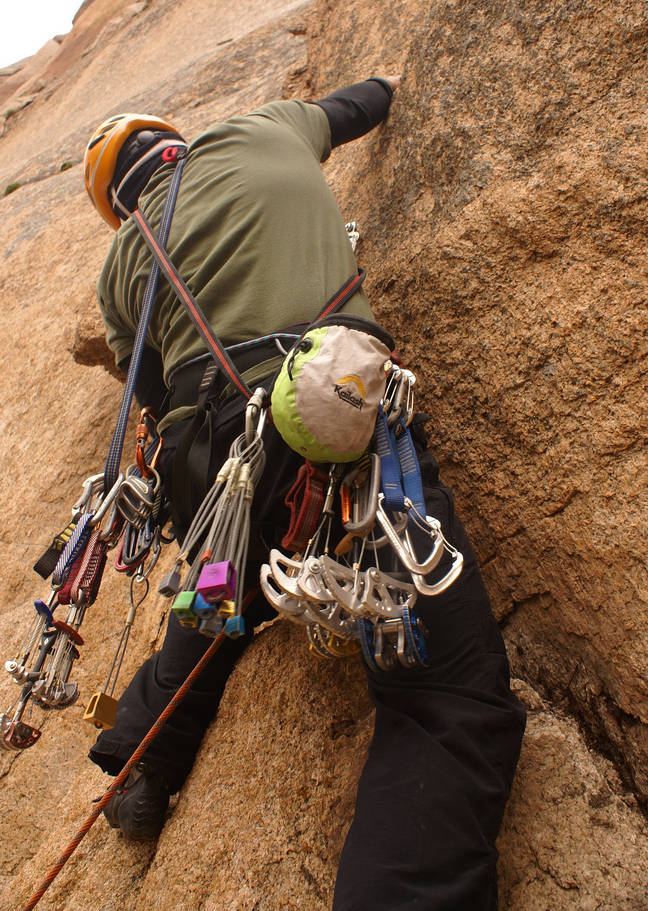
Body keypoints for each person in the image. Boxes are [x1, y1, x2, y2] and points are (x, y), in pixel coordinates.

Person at [84, 78, 526, 910]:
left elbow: (147, 390)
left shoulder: (119, 266)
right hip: (327, 408)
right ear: (173, 142)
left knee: (215, 595)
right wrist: (392, 83)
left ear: (118, 197)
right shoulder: (261, 131)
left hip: (209, 458)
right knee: (449, 693)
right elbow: (363, 105)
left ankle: (140, 764)